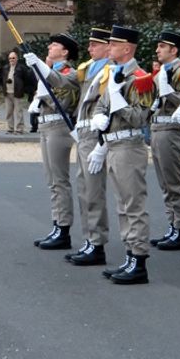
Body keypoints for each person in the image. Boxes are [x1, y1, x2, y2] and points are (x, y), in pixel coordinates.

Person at [88, 25, 154, 284]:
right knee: (122, 205)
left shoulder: (140, 78)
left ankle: (139, 258)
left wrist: (118, 103)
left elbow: (140, 117)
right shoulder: (115, 74)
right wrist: (100, 116)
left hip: (129, 145)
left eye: (114, 44)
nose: (110, 47)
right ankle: (129, 254)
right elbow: (101, 105)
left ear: (127, 48)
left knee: (133, 205)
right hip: (114, 145)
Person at [24, 33, 80, 251]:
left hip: (58, 125)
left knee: (59, 179)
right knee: (51, 179)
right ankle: (57, 224)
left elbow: (62, 100)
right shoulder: (51, 72)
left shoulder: (68, 73)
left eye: (55, 44)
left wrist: (41, 93)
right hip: (45, 125)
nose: (49, 46)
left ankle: (63, 228)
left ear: (65, 52)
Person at [65, 27, 112, 268]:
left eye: (95, 44)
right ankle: (88, 240)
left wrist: (102, 144)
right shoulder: (88, 69)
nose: (90, 48)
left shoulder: (109, 71)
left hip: (95, 134)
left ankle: (97, 242)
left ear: (107, 46)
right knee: (84, 189)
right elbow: (63, 81)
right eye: (90, 44)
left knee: (94, 191)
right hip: (83, 132)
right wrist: (40, 67)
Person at [149, 30, 180, 252]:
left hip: (171, 129)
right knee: (165, 182)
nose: (157, 50)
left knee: (173, 181)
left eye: (162, 46)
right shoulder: (160, 73)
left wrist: (168, 93)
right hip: (157, 127)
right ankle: (173, 225)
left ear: (173, 50)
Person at [0, 50, 33, 134]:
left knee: (18, 112)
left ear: (17, 58)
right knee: (9, 111)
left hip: (17, 93)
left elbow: (27, 79)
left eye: (13, 58)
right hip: (7, 92)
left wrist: (24, 89)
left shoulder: (21, 68)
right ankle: (10, 128)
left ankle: (19, 129)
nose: (11, 59)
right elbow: (2, 78)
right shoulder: (5, 67)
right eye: (10, 58)